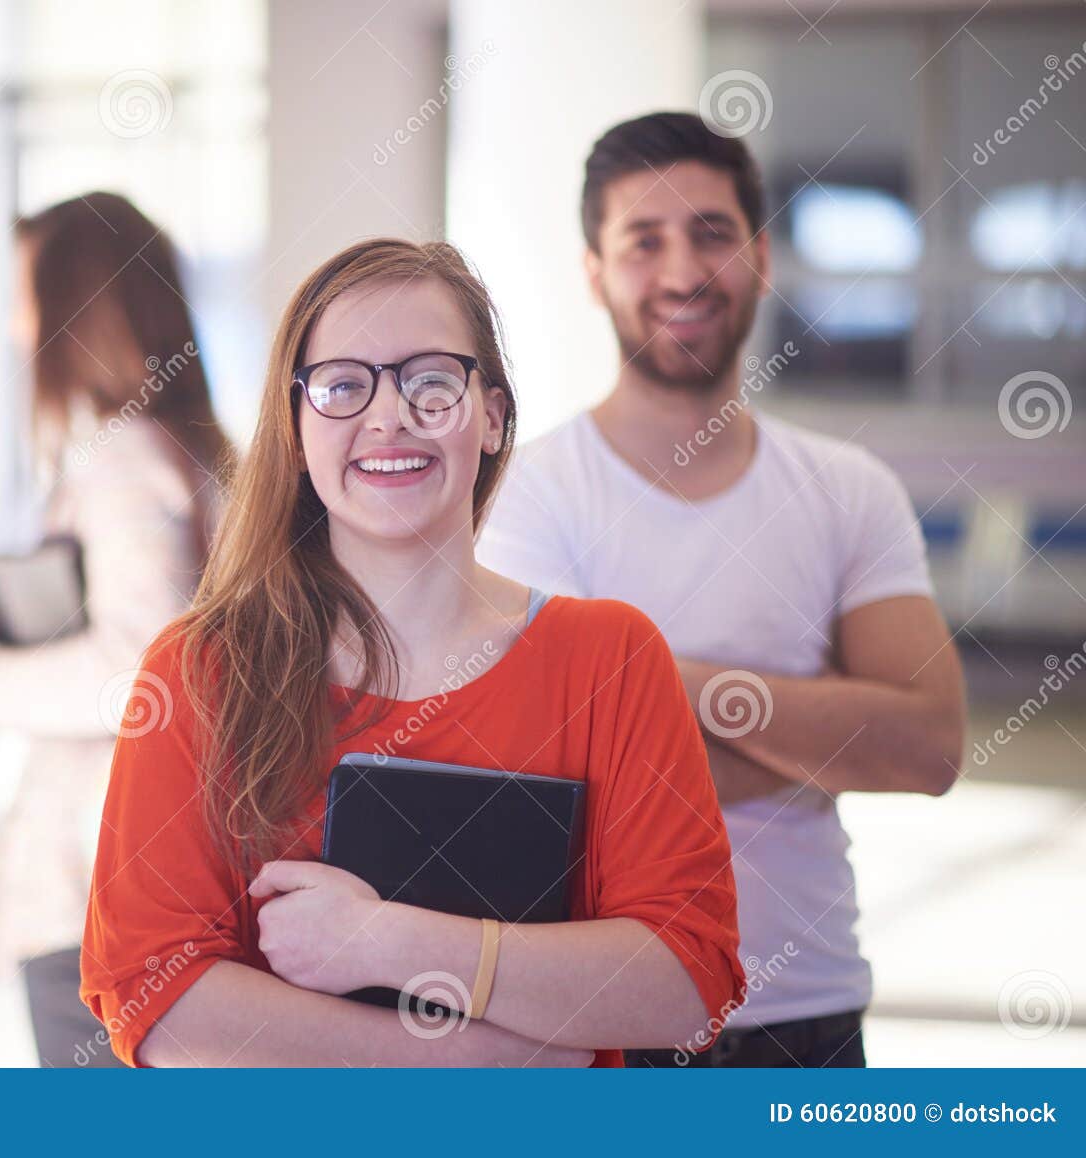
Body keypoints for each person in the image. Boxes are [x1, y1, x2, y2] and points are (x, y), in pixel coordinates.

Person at [79, 238, 745, 1067]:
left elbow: (685, 982)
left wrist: (385, 942)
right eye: (342, 386)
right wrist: (476, 1061)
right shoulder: (200, 671)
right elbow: (155, 998)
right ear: (295, 426)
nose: (387, 417)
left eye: (430, 381)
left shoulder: (609, 656)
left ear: (494, 415)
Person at [479, 112, 968, 1067]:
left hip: (805, 1004)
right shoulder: (526, 495)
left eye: (711, 232)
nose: (681, 271)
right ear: (593, 272)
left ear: (762, 255)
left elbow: (928, 744)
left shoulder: (846, 488)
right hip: (595, 1010)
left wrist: (641, 681)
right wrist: (823, 735)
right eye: (643, 240)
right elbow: (544, 777)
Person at [0, 193, 228, 1067]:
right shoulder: (193, 452)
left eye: (26, 297)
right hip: (155, 864)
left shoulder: (121, 461)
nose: (14, 327)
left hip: (99, 879)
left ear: (74, 308)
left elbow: (138, 670)